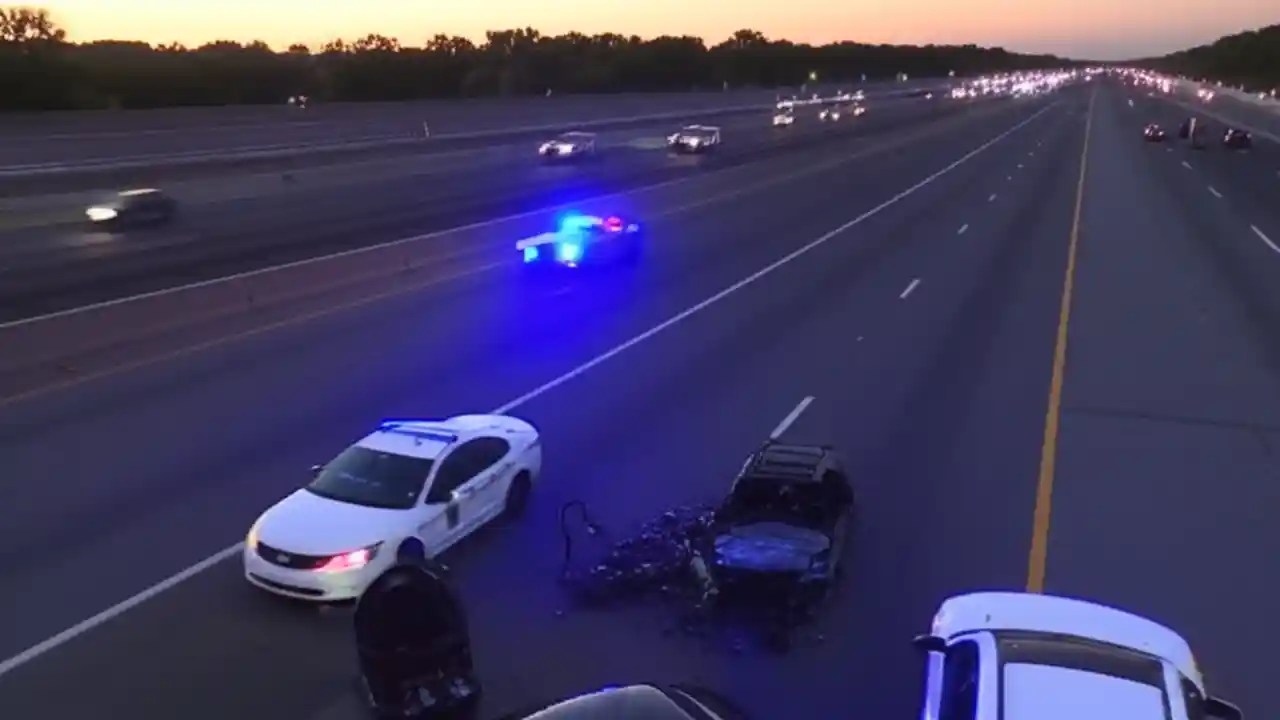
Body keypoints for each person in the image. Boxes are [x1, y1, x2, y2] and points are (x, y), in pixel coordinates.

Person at [354, 539, 480, 719]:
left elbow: (367, 632)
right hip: (434, 647)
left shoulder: (381, 585)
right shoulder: (433, 577)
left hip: (396, 654)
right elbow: (454, 616)